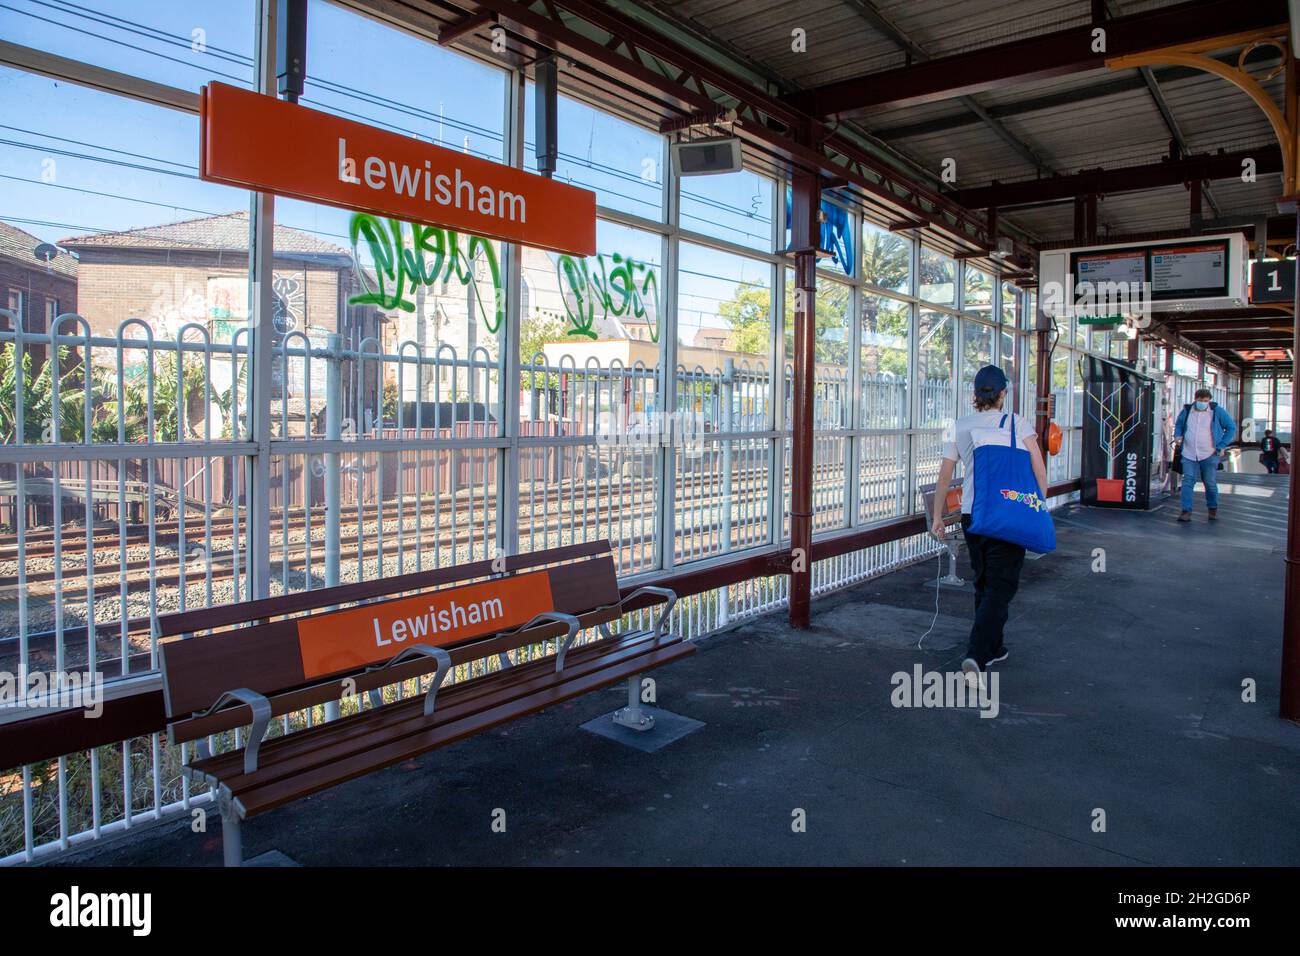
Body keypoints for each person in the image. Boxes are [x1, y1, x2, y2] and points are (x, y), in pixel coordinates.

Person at [932, 365, 1049, 684]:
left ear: (975, 395)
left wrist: (938, 516)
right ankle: (976, 653)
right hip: (1009, 513)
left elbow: (945, 475)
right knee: (1002, 585)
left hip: (974, 514)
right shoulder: (1018, 423)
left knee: (984, 582)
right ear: (1002, 394)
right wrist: (1039, 507)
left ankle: (994, 647)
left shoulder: (960, 426)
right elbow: (1039, 471)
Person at [1174, 387, 1237, 522]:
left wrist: (1221, 445)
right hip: (1189, 452)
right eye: (1200, 400)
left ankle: (1212, 508)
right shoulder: (1187, 411)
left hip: (1210, 453)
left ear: (1209, 401)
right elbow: (1179, 424)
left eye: (1205, 401)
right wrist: (1178, 435)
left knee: (1209, 483)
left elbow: (1231, 428)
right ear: (1195, 399)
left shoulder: (1217, 412)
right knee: (1187, 481)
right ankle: (1186, 511)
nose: (1203, 403)